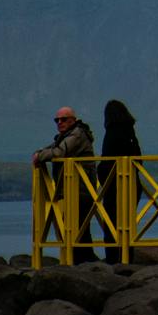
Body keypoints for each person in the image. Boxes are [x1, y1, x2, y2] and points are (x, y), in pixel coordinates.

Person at [31, 105, 95, 253]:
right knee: (78, 229)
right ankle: (84, 260)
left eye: (64, 119)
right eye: (57, 120)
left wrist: (39, 156)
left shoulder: (77, 134)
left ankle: (82, 260)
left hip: (81, 189)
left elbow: (59, 152)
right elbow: (52, 148)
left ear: (73, 120)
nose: (60, 122)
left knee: (76, 228)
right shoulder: (67, 136)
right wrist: (39, 153)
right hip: (75, 189)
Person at [100, 99, 141, 264]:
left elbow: (107, 161)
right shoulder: (130, 131)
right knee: (128, 224)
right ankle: (127, 258)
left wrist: (101, 175)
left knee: (111, 223)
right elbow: (138, 159)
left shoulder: (111, 133)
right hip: (132, 185)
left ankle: (113, 259)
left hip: (114, 186)